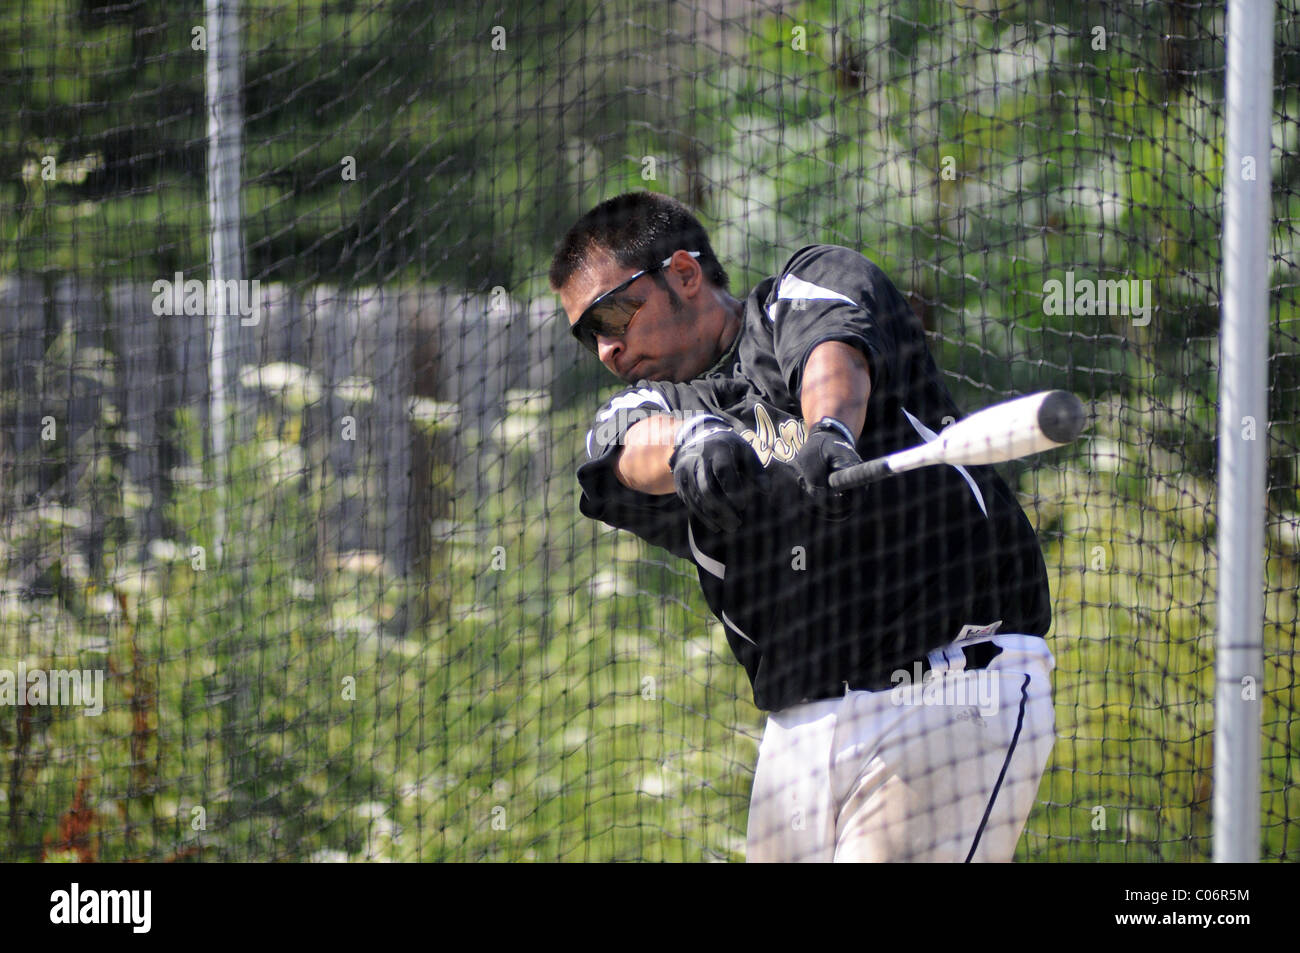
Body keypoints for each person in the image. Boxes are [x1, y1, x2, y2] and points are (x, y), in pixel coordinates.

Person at [549, 191, 1056, 862]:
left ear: (685, 274)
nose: (608, 347)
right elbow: (625, 445)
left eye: (612, 314)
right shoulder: (658, 403)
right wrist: (692, 443)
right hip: (798, 729)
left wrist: (833, 431)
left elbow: (831, 352)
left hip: (950, 684)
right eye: (588, 335)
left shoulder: (805, 285)